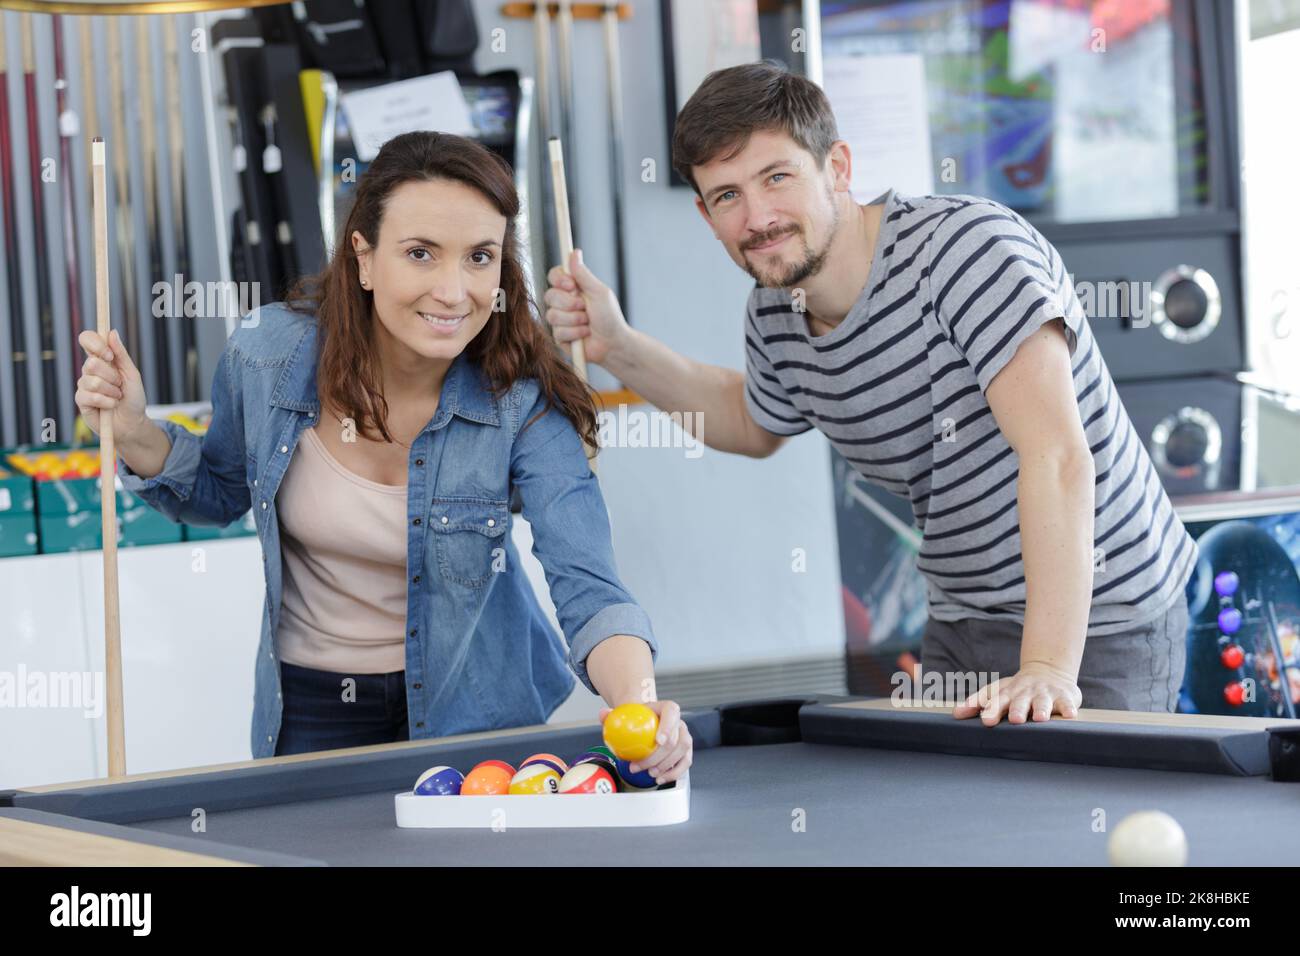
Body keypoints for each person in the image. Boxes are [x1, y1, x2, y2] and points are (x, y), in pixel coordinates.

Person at [544, 62, 1195, 725]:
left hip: (1102, 618)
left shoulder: (969, 252)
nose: (758, 216)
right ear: (706, 214)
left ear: (838, 167)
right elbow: (749, 420)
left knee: (1080, 821)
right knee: (964, 826)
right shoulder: (774, 314)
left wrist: (1048, 669)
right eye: (727, 195)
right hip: (965, 618)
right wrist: (618, 344)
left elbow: (1055, 455)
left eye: (777, 177)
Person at [75, 130, 693, 780]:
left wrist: (640, 708)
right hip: (313, 704)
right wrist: (136, 428)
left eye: (480, 257)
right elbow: (220, 489)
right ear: (363, 258)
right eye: (421, 253)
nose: (454, 292)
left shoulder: (521, 400)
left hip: (478, 702)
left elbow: (587, 581)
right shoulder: (267, 356)